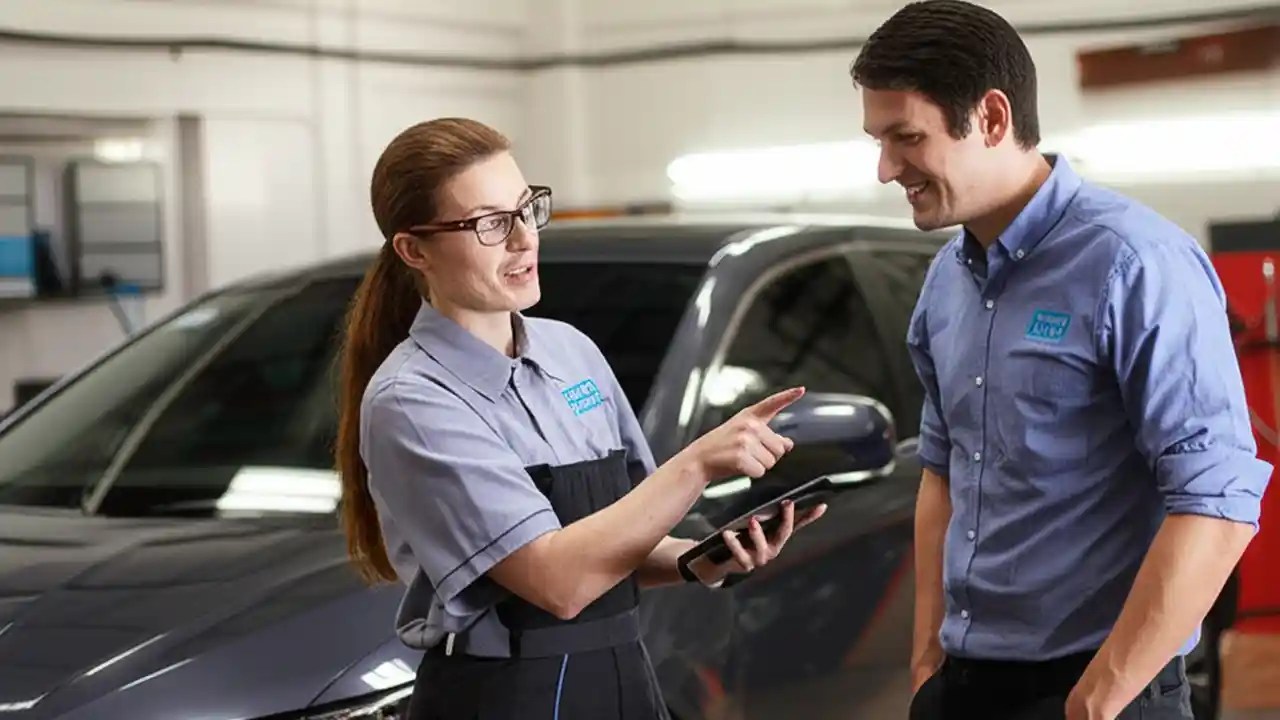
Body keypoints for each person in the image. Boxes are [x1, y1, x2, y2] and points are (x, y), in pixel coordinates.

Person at [850, 2, 1272, 719]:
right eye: (878, 140)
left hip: (1099, 686)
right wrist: (927, 658)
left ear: (990, 117)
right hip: (966, 683)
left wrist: (1101, 700)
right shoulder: (946, 282)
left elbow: (1219, 500)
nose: (886, 168)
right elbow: (942, 471)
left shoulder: (1137, 264)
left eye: (906, 137)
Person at [333, 117, 827, 720]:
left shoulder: (572, 352)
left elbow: (625, 544)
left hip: (622, 676)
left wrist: (706, 558)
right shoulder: (413, 400)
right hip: (508, 697)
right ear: (415, 250)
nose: (523, 239)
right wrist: (697, 463)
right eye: (489, 223)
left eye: (525, 209)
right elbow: (558, 583)